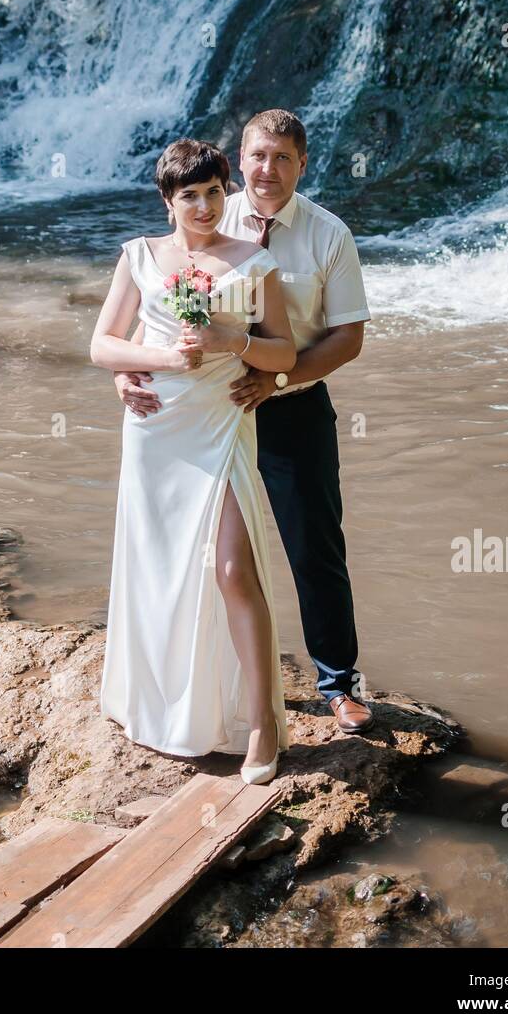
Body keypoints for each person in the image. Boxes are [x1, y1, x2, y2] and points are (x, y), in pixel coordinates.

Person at [114, 109, 374, 735]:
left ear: (302, 165)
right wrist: (128, 372)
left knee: (313, 544)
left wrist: (278, 378)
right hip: (204, 415)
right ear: (241, 158)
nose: (268, 169)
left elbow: (349, 339)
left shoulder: (328, 235)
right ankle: (203, 690)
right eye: (259, 155)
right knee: (208, 555)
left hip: (290, 405)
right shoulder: (205, 210)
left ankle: (338, 683)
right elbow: (146, 310)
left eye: (284, 158)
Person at [90, 137, 296, 784]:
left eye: (214, 192)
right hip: (156, 433)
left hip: (222, 424)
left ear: (226, 190)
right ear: (167, 201)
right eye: (190, 197)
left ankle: (260, 721)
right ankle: (164, 704)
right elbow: (102, 344)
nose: (204, 207)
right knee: (160, 568)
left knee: (233, 570)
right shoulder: (139, 257)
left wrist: (230, 340)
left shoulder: (254, 262)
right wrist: (158, 361)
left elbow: (284, 353)